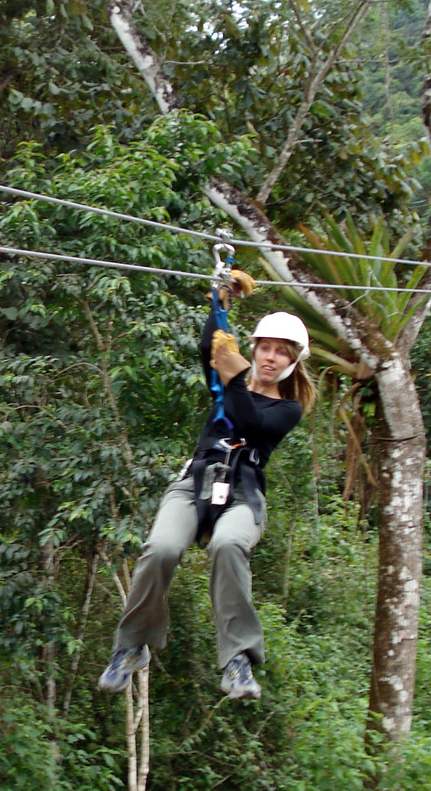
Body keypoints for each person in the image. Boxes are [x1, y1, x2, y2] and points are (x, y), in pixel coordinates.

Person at [99, 296, 314, 701]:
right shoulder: (226, 386)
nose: (270, 358)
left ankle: (238, 660)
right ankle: (132, 646)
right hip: (195, 482)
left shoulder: (288, 408)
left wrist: (234, 378)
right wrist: (219, 300)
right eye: (265, 348)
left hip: (243, 493)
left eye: (281, 352)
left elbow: (249, 422)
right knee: (161, 548)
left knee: (228, 544)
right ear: (255, 349)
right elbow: (209, 345)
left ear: (293, 362)